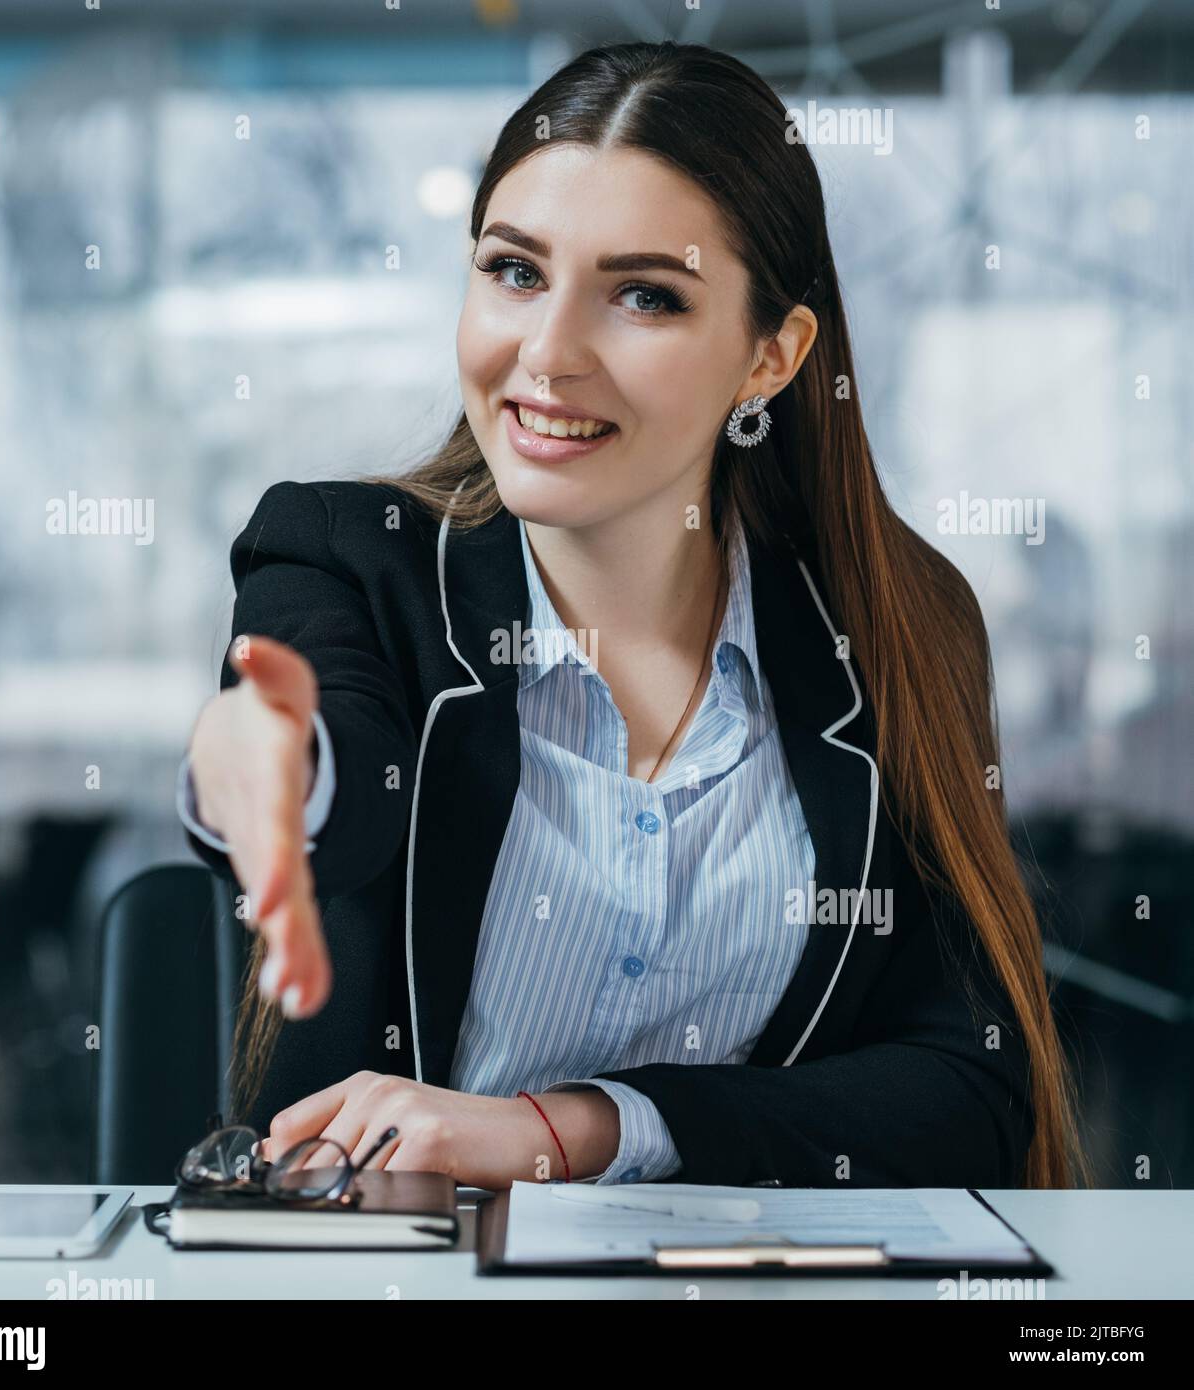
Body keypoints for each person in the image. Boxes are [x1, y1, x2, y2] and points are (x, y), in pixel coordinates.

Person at [179, 41, 1086, 1190]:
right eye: (514, 272)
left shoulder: (895, 622)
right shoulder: (346, 558)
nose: (548, 355)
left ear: (770, 357)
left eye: (644, 295)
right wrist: (268, 762)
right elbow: (333, 787)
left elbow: (969, 1086)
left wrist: (571, 1129)